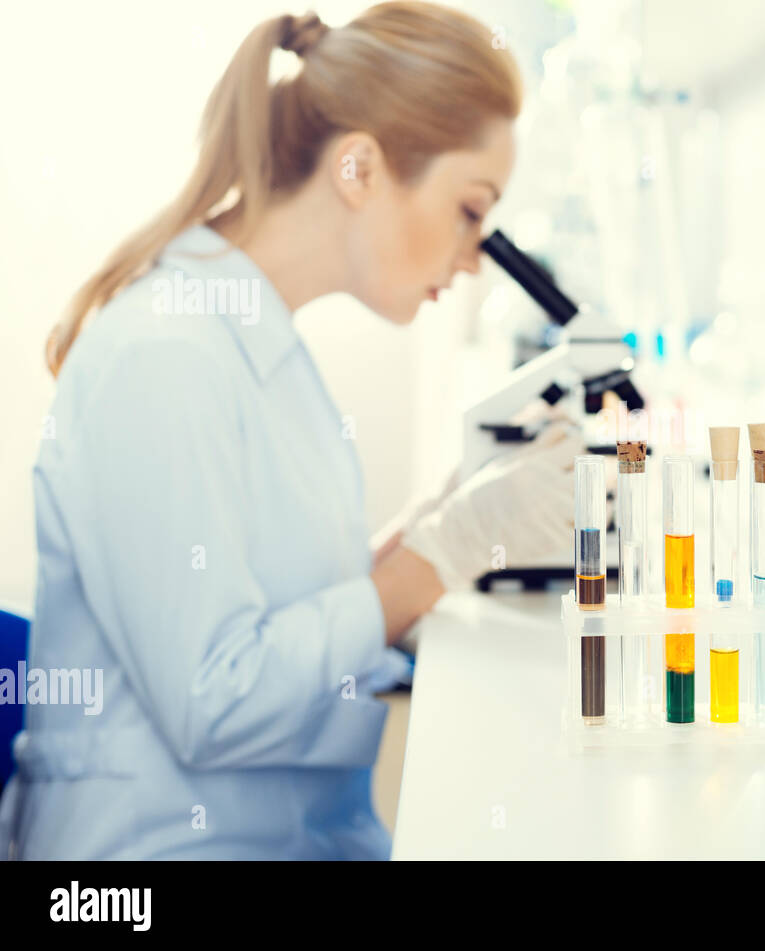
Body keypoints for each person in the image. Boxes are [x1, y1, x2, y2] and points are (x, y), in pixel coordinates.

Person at [0, 2, 578, 859]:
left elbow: (283, 604)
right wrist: (445, 552)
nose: (471, 258)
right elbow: (213, 698)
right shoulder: (165, 354)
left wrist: (447, 520)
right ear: (358, 168)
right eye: (469, 210)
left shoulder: (263, 350)